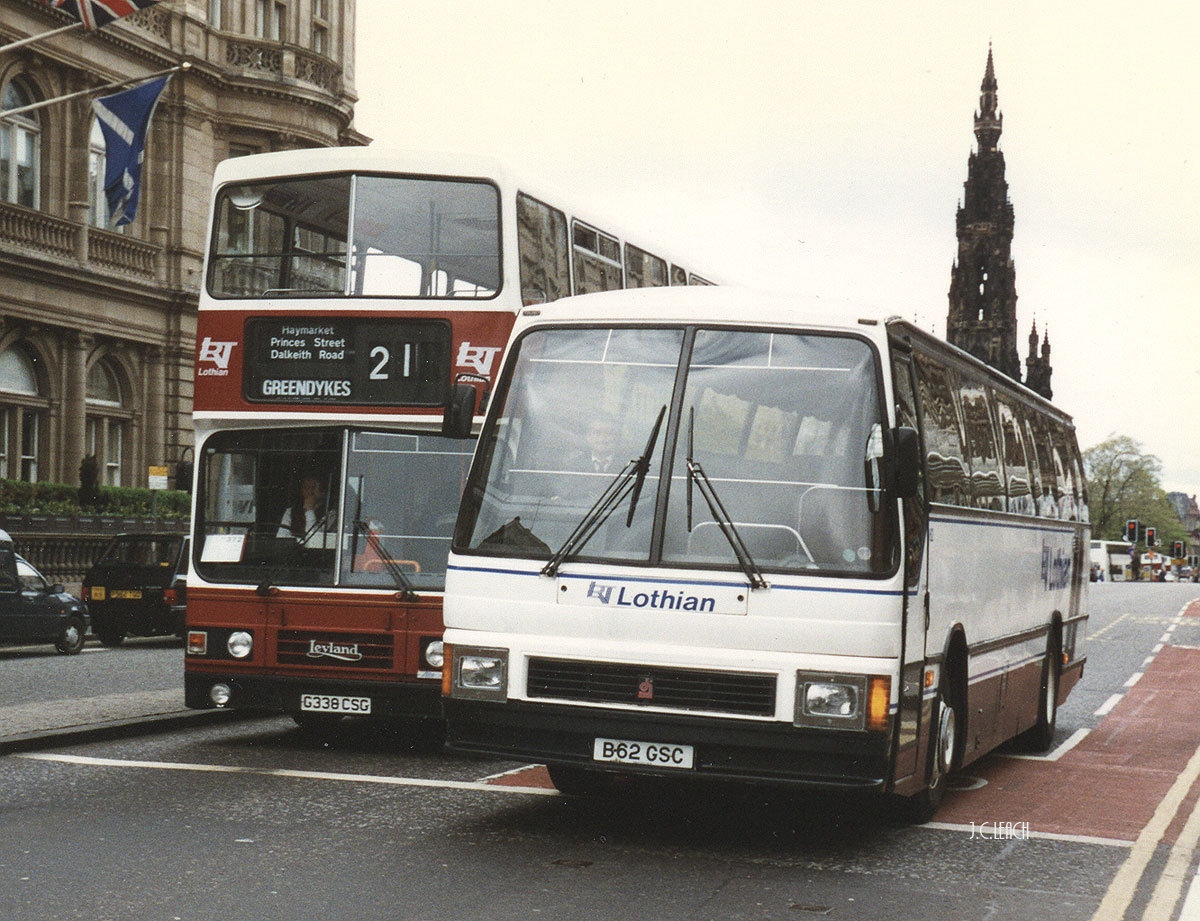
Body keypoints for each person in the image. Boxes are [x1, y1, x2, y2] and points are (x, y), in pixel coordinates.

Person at [277, 473, 331, 539]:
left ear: (322, 492)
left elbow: (315, 539)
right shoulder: (290, 511)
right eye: (306, 487)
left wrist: (309, 511)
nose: (309, 491)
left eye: (313, 488)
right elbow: (281, 536)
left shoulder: (330, 514)